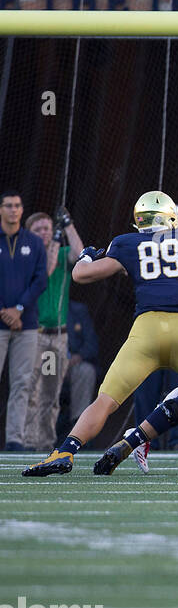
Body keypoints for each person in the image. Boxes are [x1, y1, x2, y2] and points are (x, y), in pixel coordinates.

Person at [23, 193, 178, 476]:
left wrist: (87, 255)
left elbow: (81, 274)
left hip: (145, 333)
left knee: (106, 400)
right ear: (171, 217)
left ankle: (65, 452)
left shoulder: (126, 243)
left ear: (139, 221)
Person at [22, 207, 84, 454]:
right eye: (38, 230)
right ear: (29, 234)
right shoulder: (27, 257)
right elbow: (46, 270)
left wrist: (68, 226)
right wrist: (56, 241)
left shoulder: (62, 253)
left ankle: (44, 443)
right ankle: (26, 442)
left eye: (47, 228)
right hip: (33, 336)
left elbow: (81, 255)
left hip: (56, 337)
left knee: (50, 392)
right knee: (30, 390)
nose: (45, 233)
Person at [0, 190, 46, 450]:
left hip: (26, 324)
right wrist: (4, 311)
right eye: (8, 206)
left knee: (22, 382)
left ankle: (14, 439)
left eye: (17, 205)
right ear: (1, 209)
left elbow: (40, 280)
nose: (14, 210)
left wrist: (18, 309)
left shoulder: (34, 242)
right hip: (1, 323)